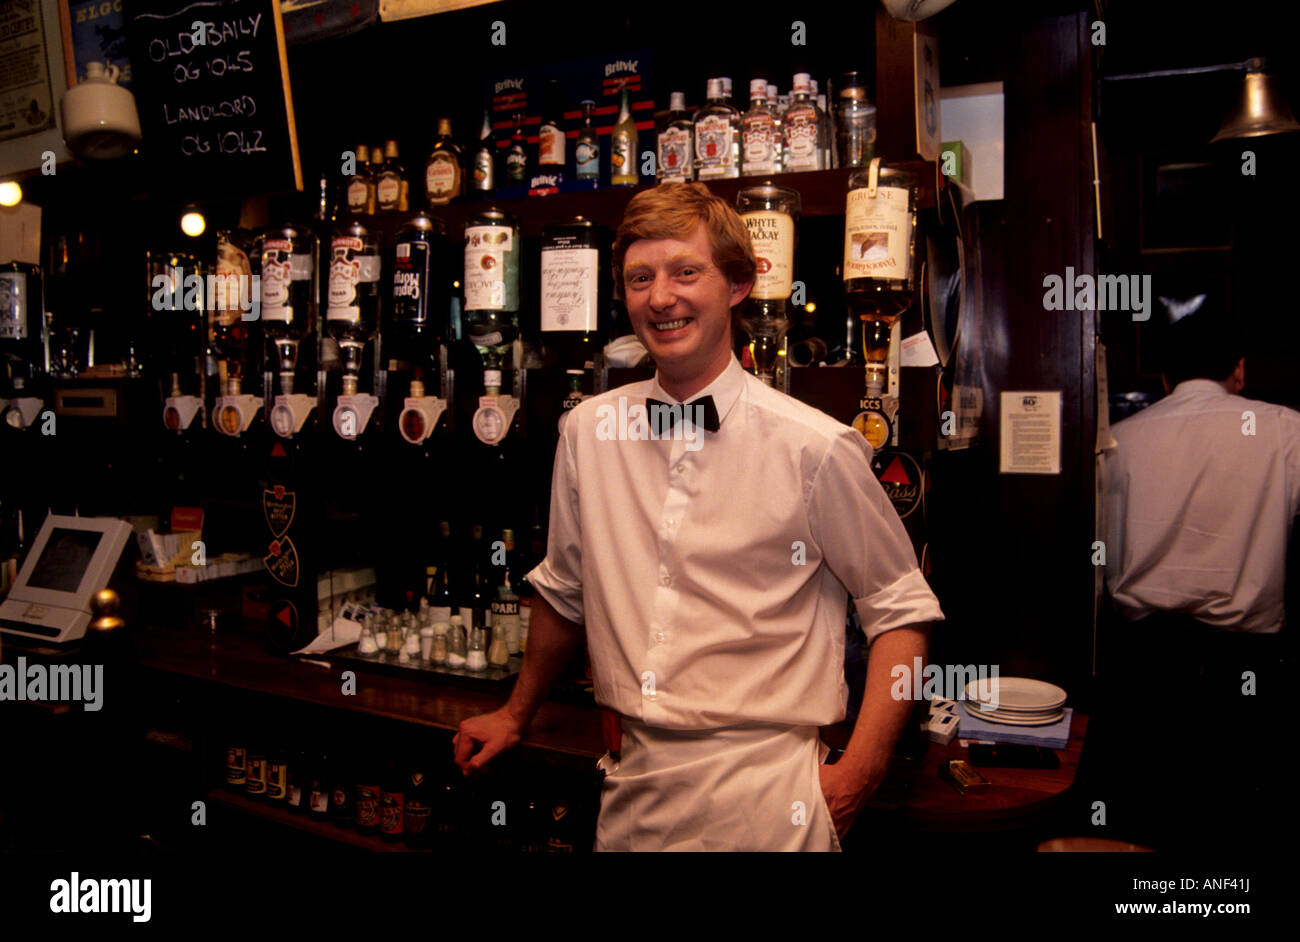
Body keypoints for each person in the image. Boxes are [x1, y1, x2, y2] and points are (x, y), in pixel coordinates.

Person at [454, 182, 943, 851]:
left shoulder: (814, 448)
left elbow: (903, 613)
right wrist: (515, 713)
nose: (661, 297)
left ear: (738, 285)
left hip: (770, 797)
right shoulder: (589, 433)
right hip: (633, 790)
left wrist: (860, 771)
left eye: (687, 272)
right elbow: (565, 592)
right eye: (640, 278)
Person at [1092, 307, 1296, 851]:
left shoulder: (1118, 442)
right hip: (1244, 669)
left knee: (1143, 821)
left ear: (1163, 378)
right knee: (1236, 822)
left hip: (1142, 666)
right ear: (1240, 370)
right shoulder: (1286, 430)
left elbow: (1100, 552)